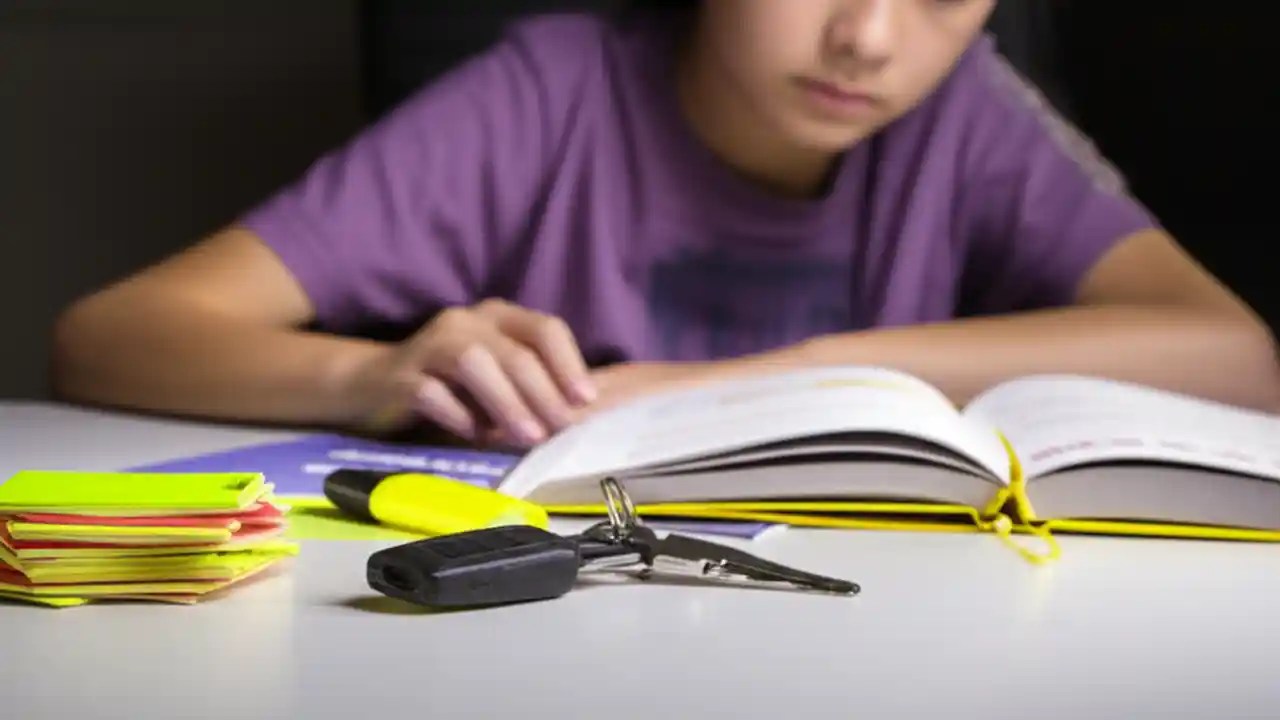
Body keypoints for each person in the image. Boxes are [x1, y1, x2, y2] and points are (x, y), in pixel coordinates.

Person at [51, 0, 1280, 450]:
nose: (867, 37)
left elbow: (1236, 356)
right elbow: (115, 334)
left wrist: (764, 380)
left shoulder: (966, 114)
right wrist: (374, 369)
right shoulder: (543, 97)